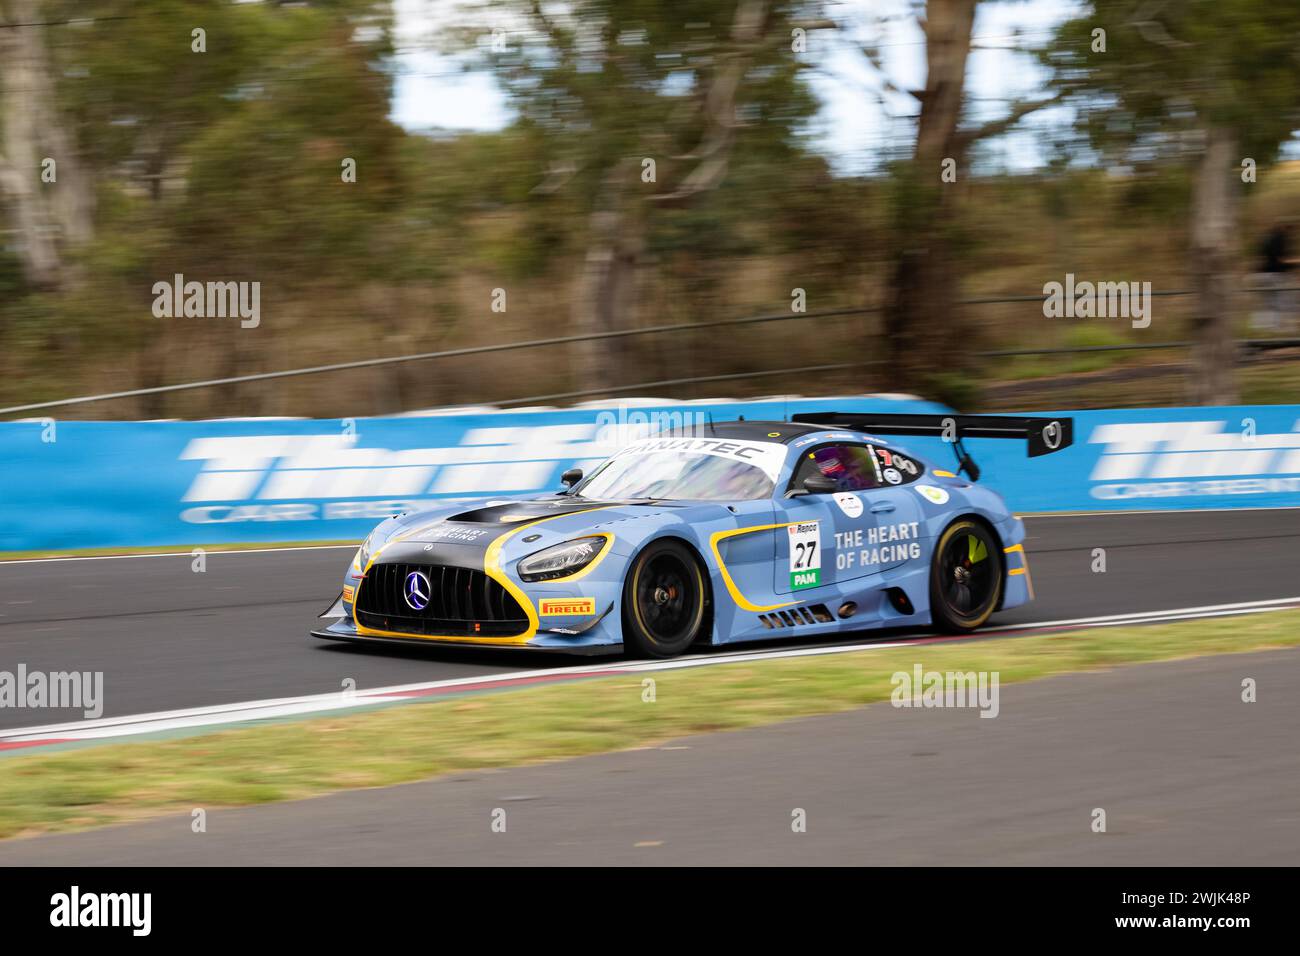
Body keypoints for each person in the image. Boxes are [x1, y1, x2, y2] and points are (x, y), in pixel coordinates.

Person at [1254, 222, 1299, 331]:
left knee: (1271, 303)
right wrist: (1296, 261)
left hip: (1262, 275)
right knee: (1285, 302)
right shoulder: (1280, 238)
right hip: (1275, 275)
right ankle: (1285, 328)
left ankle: (1270, 328)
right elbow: (1281, 259)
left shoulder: (1267, 239)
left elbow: (1263, 257)